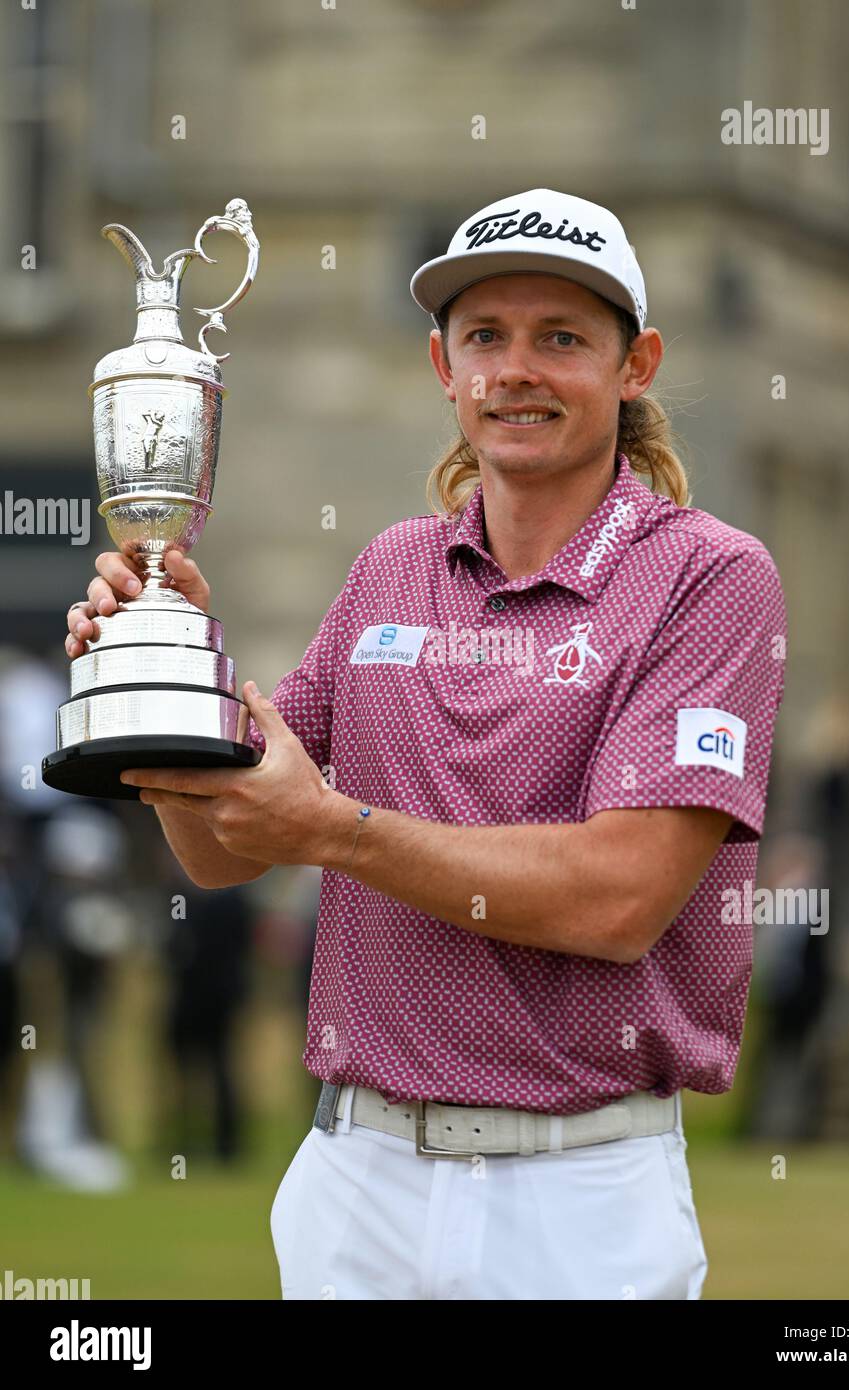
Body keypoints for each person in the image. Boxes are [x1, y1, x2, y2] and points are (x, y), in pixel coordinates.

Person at [63, 189, 787, 1300]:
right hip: (357, 1181)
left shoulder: (708, 576)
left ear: (635, 363)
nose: (515, 370)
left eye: (561, 339)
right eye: (483, 337)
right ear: (442, 367)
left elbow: (620, 897)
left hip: (579, 1193)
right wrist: (171, 678)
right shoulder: (389, 569)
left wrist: (339, 833)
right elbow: (223, 853)